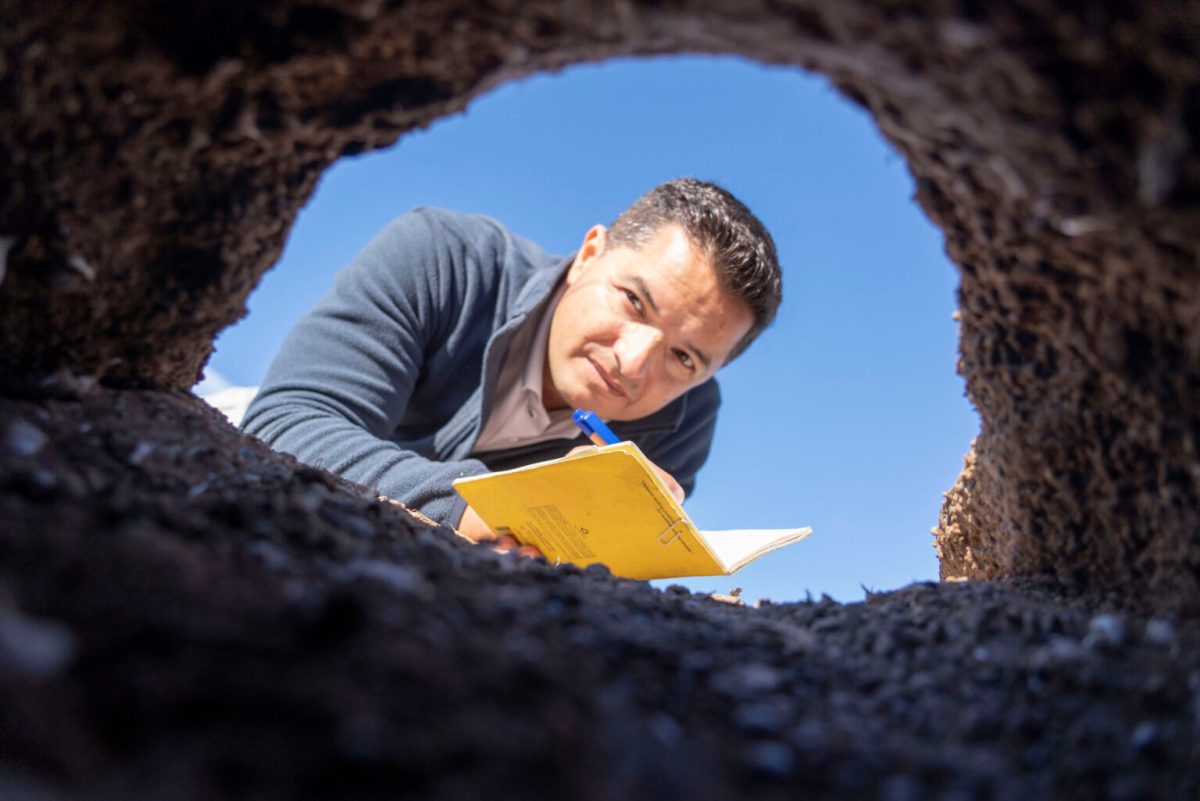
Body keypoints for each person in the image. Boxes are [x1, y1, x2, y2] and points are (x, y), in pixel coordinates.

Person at [241, 178, 781, 551]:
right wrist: (488, 510)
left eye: (684, 357)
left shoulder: (685, 419)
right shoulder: (445, 257)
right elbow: (287, 423)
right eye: (634, 302)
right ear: (589, 254)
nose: (633, 363)